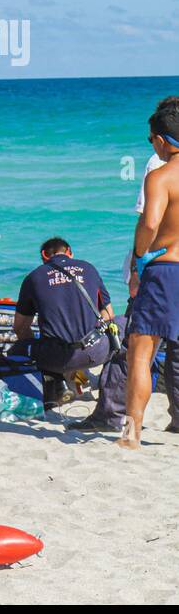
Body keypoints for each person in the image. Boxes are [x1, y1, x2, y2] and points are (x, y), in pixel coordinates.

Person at [120, 101, 179, 449]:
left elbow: (151, 222)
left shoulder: (160, 176)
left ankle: (131, 436)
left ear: (160, 140)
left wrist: (140, 255)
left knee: (140, 354)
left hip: (166, 268)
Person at [10, 238, 117, 409]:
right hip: (96, 352)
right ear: (69, 251)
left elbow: (20, 327)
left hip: (55, 357)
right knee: (119, 326)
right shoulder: (89, 268)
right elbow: (108, 314)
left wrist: (36, 343)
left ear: (44, 256)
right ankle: (106, 387)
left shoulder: (33, 277)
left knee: (18, 348)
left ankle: (56, 384)